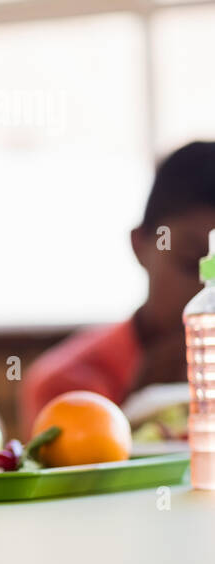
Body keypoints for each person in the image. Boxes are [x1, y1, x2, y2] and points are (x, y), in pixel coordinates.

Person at [23, 141, 215, 434]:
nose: (209, 290)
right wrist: (139, 411)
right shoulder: (67, 389)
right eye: (191, 263)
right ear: (140, 245)